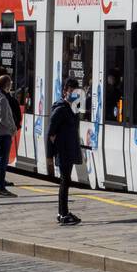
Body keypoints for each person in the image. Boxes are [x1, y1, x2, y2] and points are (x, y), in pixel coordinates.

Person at [47, 76, 83, 226]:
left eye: (76, 91)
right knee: (64, 181)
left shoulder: (72, 108)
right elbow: (50, 134)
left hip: (70, 149)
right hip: (63, 151)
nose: (73, 93)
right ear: (64, 91)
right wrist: (49, 156)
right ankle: (63, 213)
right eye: (71, 90)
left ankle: (63, 212)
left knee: (66, 181)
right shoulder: (60, 109)